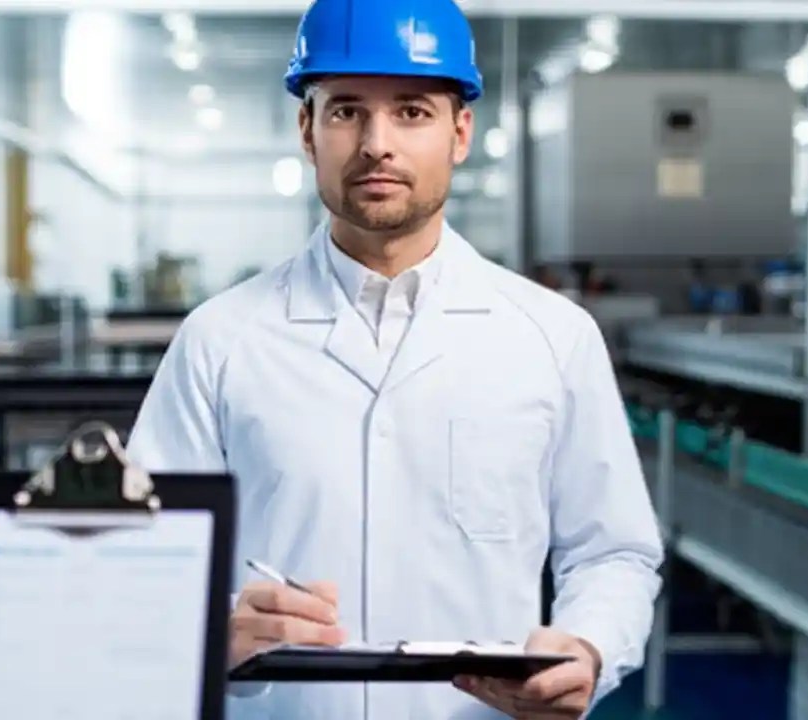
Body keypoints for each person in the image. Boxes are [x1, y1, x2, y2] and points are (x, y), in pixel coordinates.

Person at [126, 0, 664, 717]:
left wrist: (590, 646)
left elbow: (613, 552)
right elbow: (146, 557)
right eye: (347, 111)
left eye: (411, 111)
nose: (378, 143)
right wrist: (213, 631)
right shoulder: (220, 339)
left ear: (460, 132)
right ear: (307, 131)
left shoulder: (553, 337)